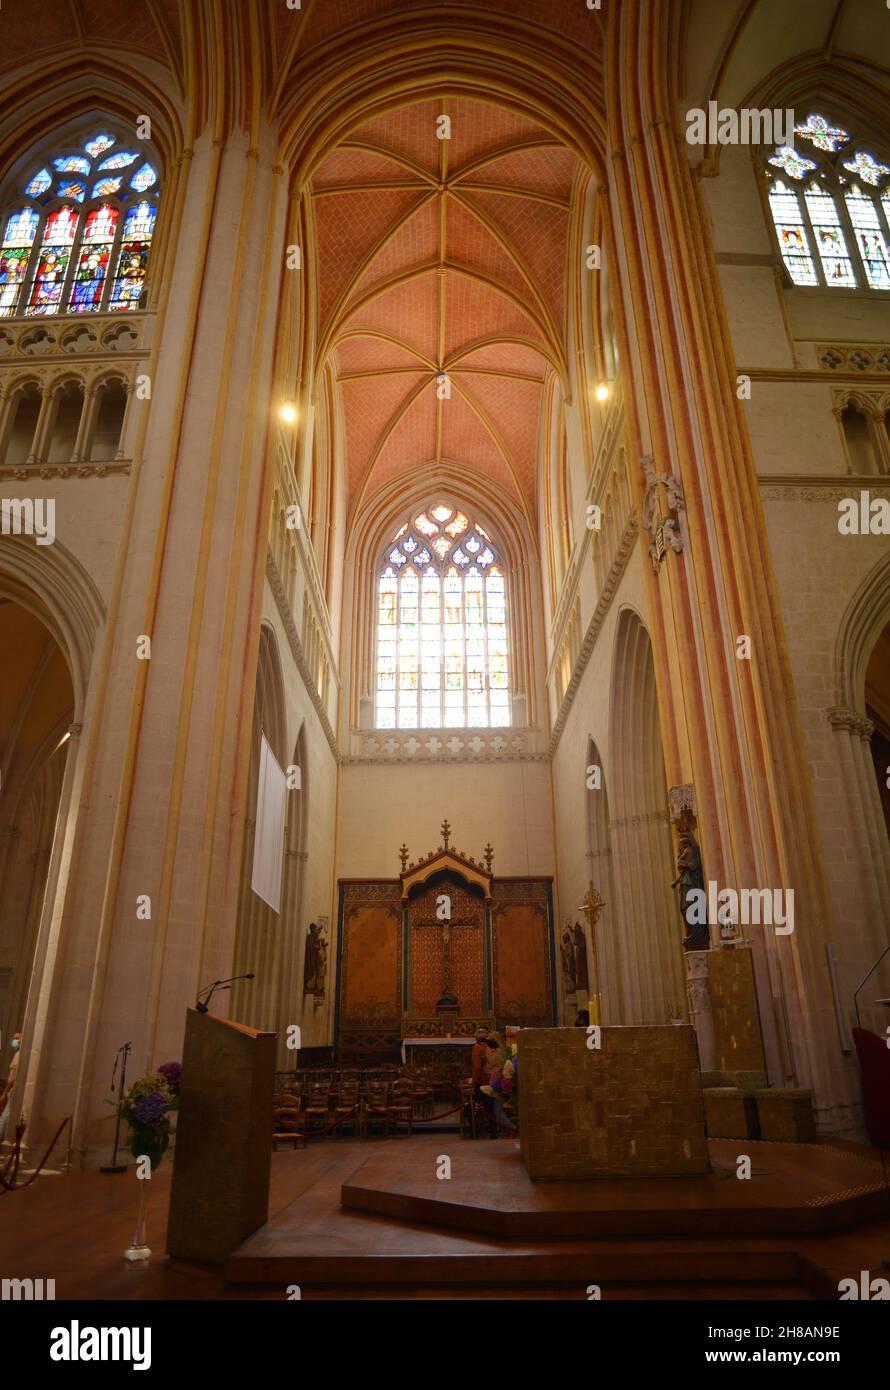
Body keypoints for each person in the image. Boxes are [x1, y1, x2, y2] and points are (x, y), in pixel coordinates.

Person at [0, 1031, 22, 1144]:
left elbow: (14, 1076)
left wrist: (5, 1092)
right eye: (14, 1038)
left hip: (13, 1090)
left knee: (5, 1116)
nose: (14, 1041)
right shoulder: (19, 1053)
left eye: (17, 1038)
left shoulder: (19, 1054)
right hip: (12, 1090)